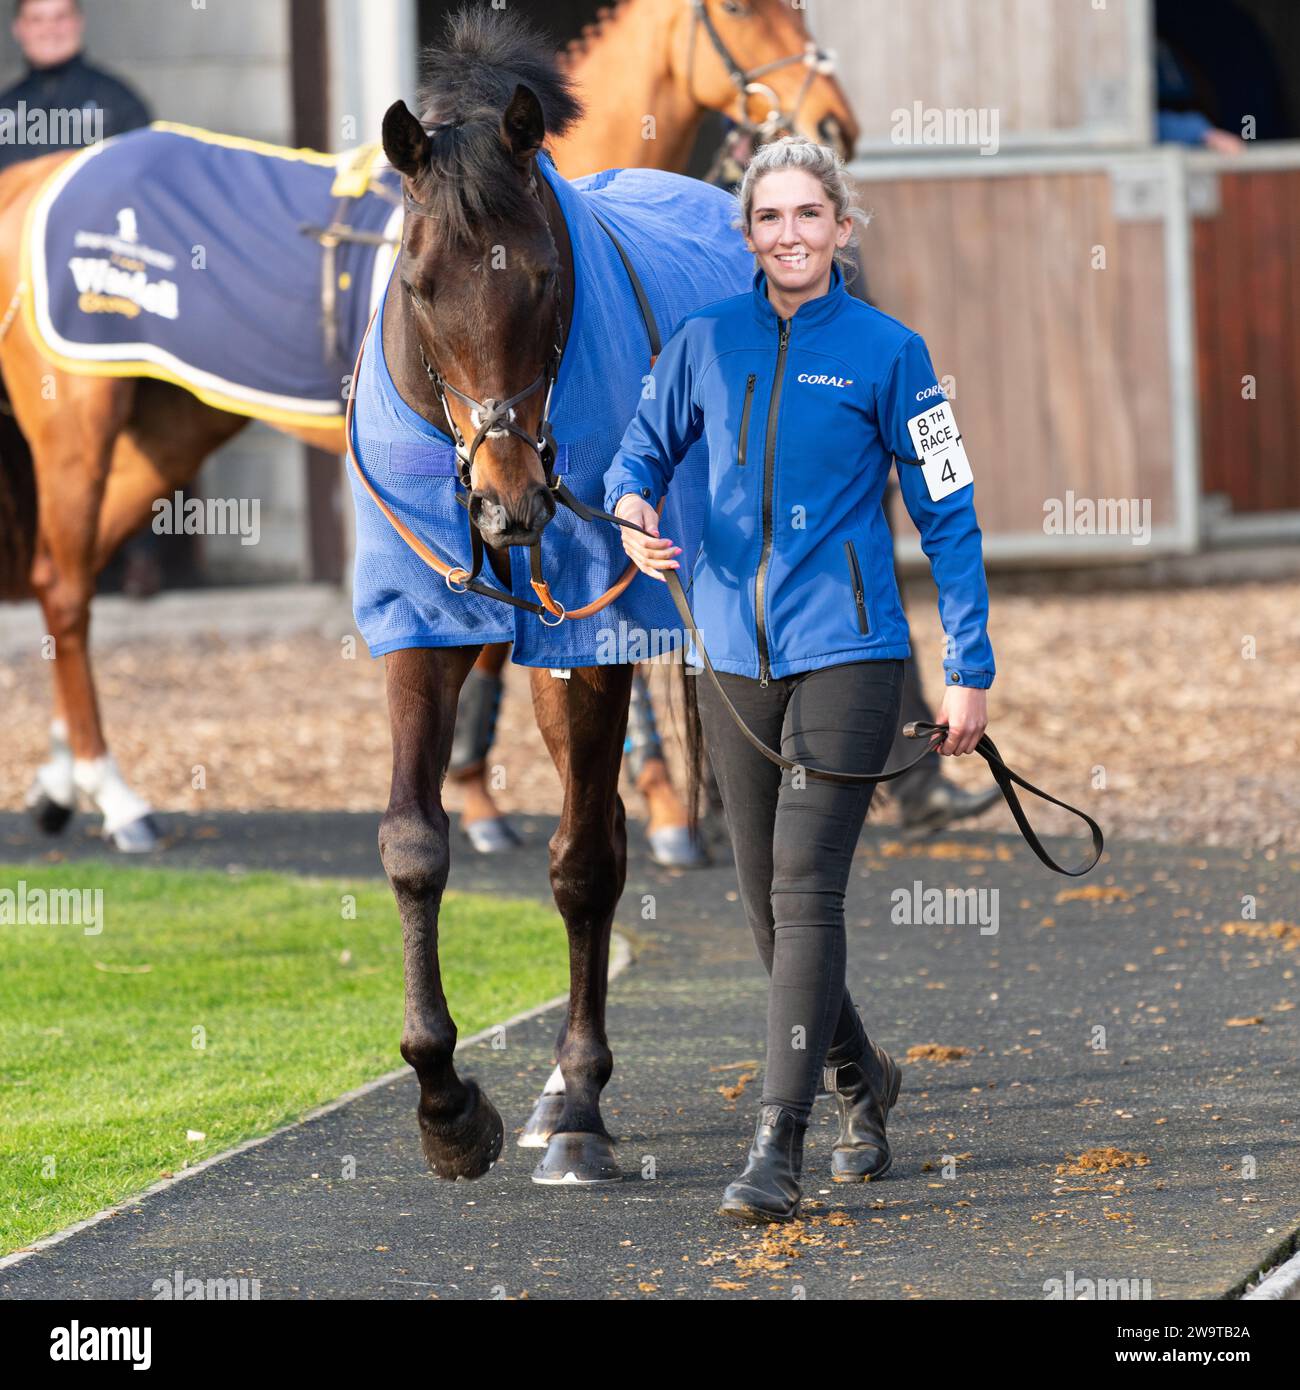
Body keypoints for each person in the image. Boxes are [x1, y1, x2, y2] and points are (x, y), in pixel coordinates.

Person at [603, 135, 995, 1223]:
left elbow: (951, 514)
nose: (789, 234)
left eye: (808, 215)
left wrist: (967, 667)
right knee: (765, 907)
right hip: (730, 659)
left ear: (841, 228)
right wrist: (630, 505)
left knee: (805, 884)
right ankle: (867, 1076)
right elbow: (637, 451)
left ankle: (777, 1142)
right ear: (747, 235)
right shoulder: (702, 341)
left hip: (850, 656)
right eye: (769, 217)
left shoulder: (893, 353)